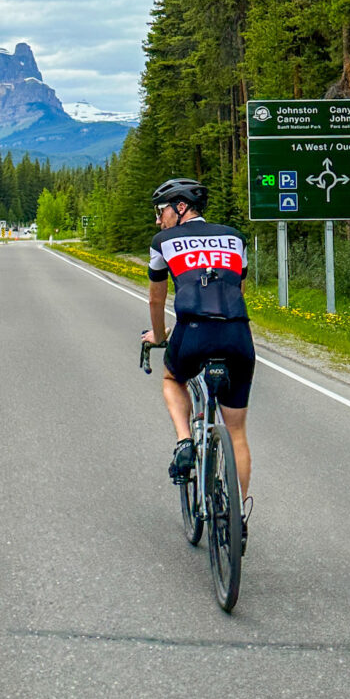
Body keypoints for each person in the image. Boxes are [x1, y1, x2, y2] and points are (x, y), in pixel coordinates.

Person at [140, 178, 255, 521]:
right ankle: (237, 518)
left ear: (180, 207)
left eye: (161, 211)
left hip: (193, 332)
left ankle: (185, 441)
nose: (158, 220)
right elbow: (239, 289)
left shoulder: (163, 242)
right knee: (237, 431)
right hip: (237, 333)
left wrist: (158, 335)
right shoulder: (235, 237)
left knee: (172, 378)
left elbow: (156, 298)